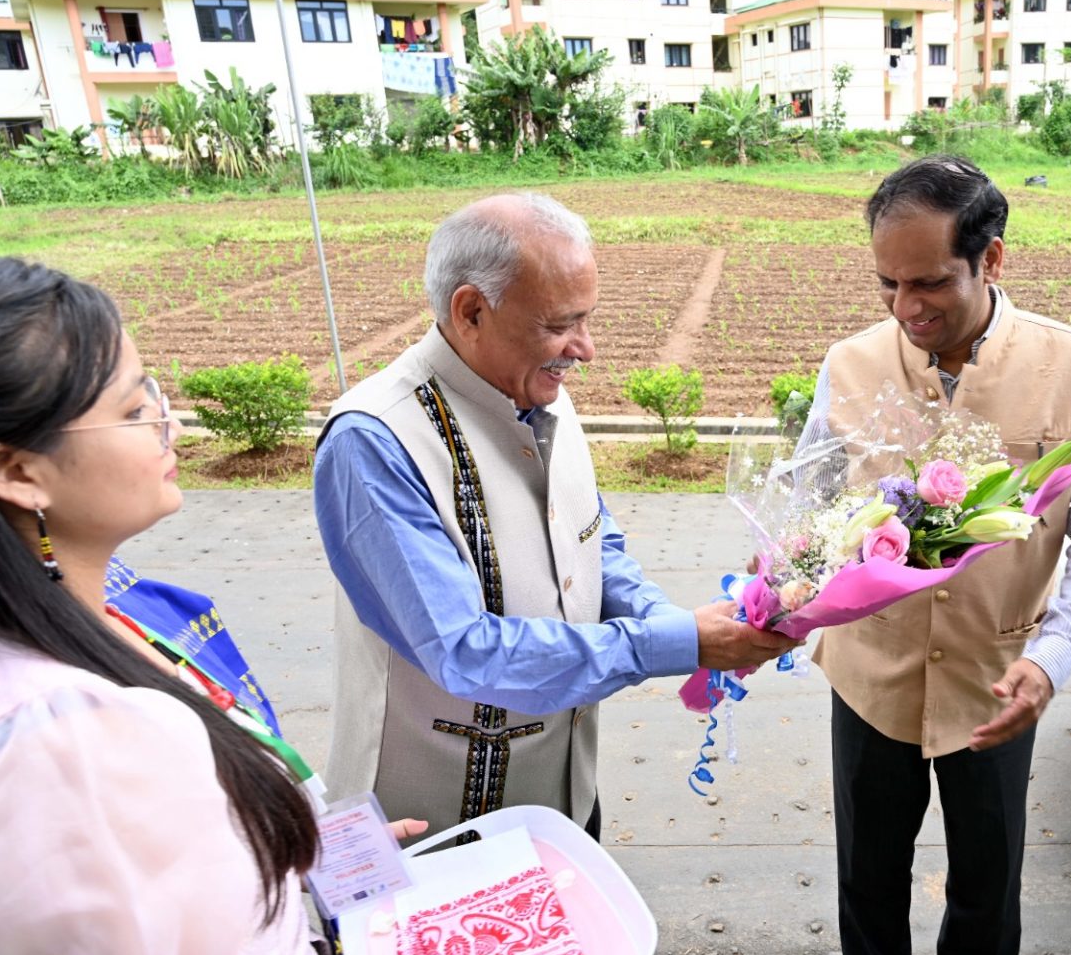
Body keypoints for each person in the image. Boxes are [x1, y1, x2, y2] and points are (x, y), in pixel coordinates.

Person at [314, 192, 797, 841]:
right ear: (471, 311)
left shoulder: (541, 393)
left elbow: (596, 542)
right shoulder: (375, 442)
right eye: (560, 323)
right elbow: (464, 651)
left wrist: (664, 617)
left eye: (587, 318)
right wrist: (675, 642)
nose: (585, 349)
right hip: (426, 830)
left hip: (560, 797)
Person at [798, 155, 1071, 955]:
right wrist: (792, 575)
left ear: (992, 259)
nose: (905, 308)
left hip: (999, 678)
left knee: (988, 886)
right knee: (867, 878)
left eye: (928, 283)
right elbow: (807, 509)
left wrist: (1052, 658)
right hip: (869, 679)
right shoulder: (849, 363)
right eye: (886, 284)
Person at [0, 258, 328, 955]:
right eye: (131, 407)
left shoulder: (101, 613)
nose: (168, 420)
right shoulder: (72, 746)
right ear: (20, 471)